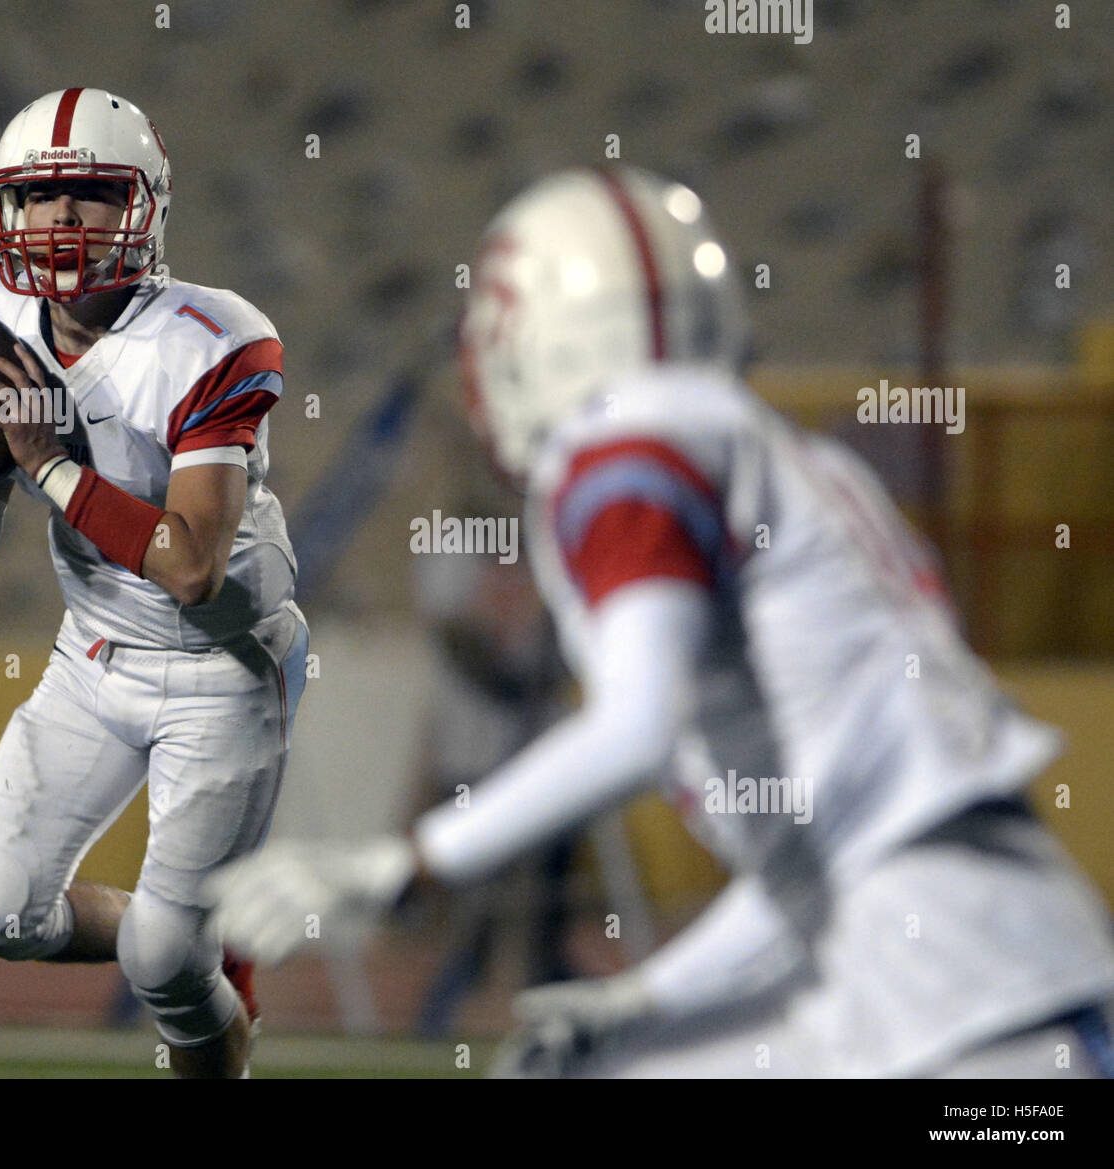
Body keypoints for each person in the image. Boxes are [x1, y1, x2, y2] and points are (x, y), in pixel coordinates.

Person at [205, 166, 1114, 1077]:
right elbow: (828, 868)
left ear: (539, 335)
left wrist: (402, 863)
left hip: (973, 1025)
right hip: (996, 981)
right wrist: (647, 995)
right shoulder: (790, 459)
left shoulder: (632, 442)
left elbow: (638, 728)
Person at [0, 88, 308, 1079]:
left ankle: (205, 998)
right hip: (90, 656)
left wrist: (44, 461)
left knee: (165, 964)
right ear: (6, 208)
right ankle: (175, 926)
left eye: (90, 193)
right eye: (39, 199)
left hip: (222, 661)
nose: (61, 221)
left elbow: (190, 563)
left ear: (144, 206)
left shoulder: (209, 338)